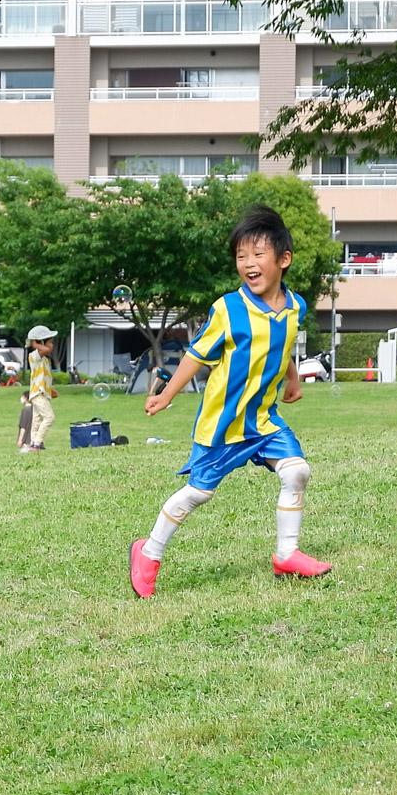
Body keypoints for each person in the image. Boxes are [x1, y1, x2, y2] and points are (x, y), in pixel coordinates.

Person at [129, 204, 331, 597]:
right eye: (241, 256)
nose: (248, 264)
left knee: (297, 471)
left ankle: (286, 554)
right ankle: (148, 551)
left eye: (258, 255)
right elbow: (196, 355)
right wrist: (167, 394)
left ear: (283, 259)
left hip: (264, 420)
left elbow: (285, 343)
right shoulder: (228, 309)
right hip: (223, 423)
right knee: (199, 493)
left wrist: (292, 379)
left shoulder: (295, 307)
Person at [20, 324, 59, 453]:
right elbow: (45, 350)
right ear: (40, 342)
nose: (51, 346)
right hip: (37, 394)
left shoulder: (45, 360)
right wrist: (35, 344)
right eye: (49, 342)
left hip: (42, 392)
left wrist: (50, 390)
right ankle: (37, 443)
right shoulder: (34, 356)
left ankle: (33, 443)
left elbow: (43, 377)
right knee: (49, 417)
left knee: (37, 420)